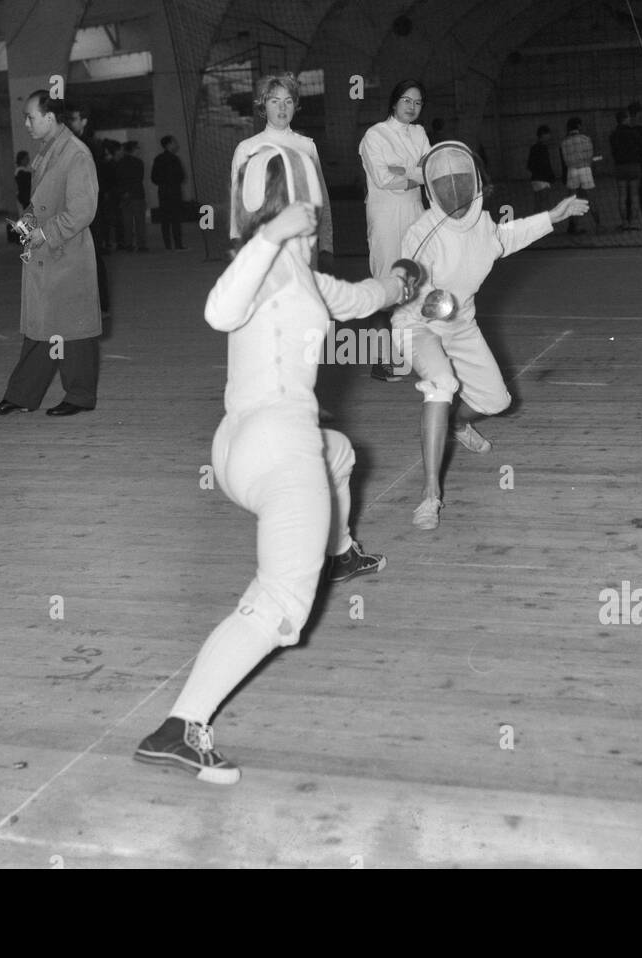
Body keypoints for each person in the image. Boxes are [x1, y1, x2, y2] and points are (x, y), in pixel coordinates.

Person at [132, 142, 414, 783]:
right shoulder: (263, 267)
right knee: (284, 604)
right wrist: (271, 235)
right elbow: (218, 310)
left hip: (240, 446)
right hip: (277, 452)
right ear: (289, 210)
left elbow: (358, 298)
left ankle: (339, 551)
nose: (312, 218)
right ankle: (182, 726)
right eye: (303, 209)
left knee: (339, 452)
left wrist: (400, 284)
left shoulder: (302, 274)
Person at [396, 142, 586, 531]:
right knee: (442, 384)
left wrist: (553, 215)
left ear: (474, 180)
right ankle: (430, 495)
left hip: (460, 323)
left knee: (496, 400)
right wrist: (433, 302)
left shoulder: (481, 223)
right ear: (432, 189)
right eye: (445, 183)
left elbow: (505, 237)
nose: (454, 189)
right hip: (417, 325)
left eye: (460, 180)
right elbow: (409, 287)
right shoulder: (421, 232)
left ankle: (456, 424)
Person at [0, 90, 100, 418]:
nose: (26, 122)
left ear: (50, 118)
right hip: (46, 253)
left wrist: (44, 233)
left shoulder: (75, 154)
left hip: (67, 253)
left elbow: (82, 210)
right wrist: (26, 226)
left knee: (73, 329)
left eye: (30, 116)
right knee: (40, 327)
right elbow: (42, 200)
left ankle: (79, 395)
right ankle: (21, 395)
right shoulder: (49, 150)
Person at [360, 79, 430, 381]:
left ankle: (415, 355)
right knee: (387, 284)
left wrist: (408, 173)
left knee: (419, 282)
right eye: (407, 101)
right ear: (393, 103)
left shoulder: (420, 133)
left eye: (417, 103)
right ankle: (380, 359)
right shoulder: (375, 135)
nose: (412, 107)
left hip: (416, 214)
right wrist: (414, 174)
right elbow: (383, 177)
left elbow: (431, 169)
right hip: (386, 217)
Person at [229, 73, 333, 259]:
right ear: (263, 106)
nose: (282, 108)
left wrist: (326, 244)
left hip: (302, 243)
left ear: (295, 105)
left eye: (288, 101)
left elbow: (321, 197)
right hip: (262, 243)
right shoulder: (247, 148)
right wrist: (238, 242)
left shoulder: (307, 146)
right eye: (275, 101)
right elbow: (238, 201)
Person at [65, 104, 111, 314]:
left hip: (90, 210)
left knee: (92, 256)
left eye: (74, 119)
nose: (70, 123)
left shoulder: (90, 146)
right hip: (74, 210)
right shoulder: (72, 145)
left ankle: (99, 304)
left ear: (84, 121)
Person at [560, 117, 596, 235]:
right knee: (591, 198)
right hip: (585, 169)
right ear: (579, 126)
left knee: (572, 199)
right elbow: (590, 156)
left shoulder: (564, 142)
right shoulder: (585, 139)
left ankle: (572, 227)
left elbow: (564, 159)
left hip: (571, 170)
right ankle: (598, 225)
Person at [150, 135, 187, 251]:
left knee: (165, 220)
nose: (176, 144)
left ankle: (168, 245)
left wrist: (163, 183)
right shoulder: (175, 159)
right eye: (174, 142)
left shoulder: (158, 159)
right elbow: (181, 176)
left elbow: (154, 178)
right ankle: (178, 244)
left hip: (163, 192)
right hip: (175, 192)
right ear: (169, 144)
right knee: (176, 219)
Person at [609, 109, 640, 228]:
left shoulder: (613, 134)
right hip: (633, 166)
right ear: (625, 119)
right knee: (634, 195)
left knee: (622, 196)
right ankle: (634, 222)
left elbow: (613, 150)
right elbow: (639, 146)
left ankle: (624, 223)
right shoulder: (634, 132)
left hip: (620, 166)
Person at [115, 141, 148, 252]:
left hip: (124, 196)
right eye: (137, 148)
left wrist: (124, 192)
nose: (139, 149)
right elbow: (139, 178)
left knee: (127, 221)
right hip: (137, 195)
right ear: (133, 149)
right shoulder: (139, 162)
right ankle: (141, 244)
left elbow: (118, 179)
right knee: (140, 221)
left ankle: (128, 243)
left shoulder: (120, 163)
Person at [525, 124, 559, 213]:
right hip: (543, 180)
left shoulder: (534, 148)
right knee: (545, 204)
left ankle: (536, 223)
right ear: (543, 135)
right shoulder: (542, 148)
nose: (550, 136)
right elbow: (546, 164)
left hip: (535, 180)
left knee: (538, 204)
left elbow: (529, 165)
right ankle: (544, 224)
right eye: (548, 134)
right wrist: (550, 176)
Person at [11, 150, 33, 244]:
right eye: (26, 158)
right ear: (22, 160)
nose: (28, 160)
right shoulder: (21, 172)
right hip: (24, 197)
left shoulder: (21, 171)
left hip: (24, 196)